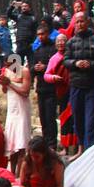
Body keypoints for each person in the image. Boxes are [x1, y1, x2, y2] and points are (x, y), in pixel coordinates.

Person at [62, 11, 94, 154]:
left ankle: (91, 153)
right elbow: (66, 61)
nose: (80, 24)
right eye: (77, 22)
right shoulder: (70, 42)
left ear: (87, 22)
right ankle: (81, 150)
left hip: (91, 87)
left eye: (82, 21)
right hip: (75, 87)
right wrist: (76, 63)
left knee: (91, 121)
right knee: (78, 121)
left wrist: (91, 64)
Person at [0, 54, 32, 174]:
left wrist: (10, 84)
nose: (8, 67)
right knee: (11, 142)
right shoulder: (7, 72)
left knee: (21, 142)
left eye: (10, 65)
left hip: (22, 109)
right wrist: (3, 83)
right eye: (7, 65)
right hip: (12, 110)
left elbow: (25, 92)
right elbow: (4, 90)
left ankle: (20, 173)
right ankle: (12, 173)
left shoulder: (25, 71)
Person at [31, 19, 59, 148]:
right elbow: (31, 68)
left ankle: (52, 144)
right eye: (38, 35)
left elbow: (59, 66)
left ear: (48, 33)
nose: (40, 37)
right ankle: (45, 144)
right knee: (43, 118)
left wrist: (46, 67)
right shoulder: (37, 50)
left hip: (52, 88)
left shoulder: (54, 48)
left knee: (50, 117)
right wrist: (35, 69)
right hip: (40, 88)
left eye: (42, 34)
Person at [8, 1, 37, 66]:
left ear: (29, 8)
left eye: (26, 6)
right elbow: (9, 14)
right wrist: (13, 6)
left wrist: (34, 42)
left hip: (29, 44)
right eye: (23, 6)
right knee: (18, 64)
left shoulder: (33, 18)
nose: (24, 8)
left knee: (32, 63)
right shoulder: (19, 17)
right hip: (20, 44)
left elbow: (36, 31)